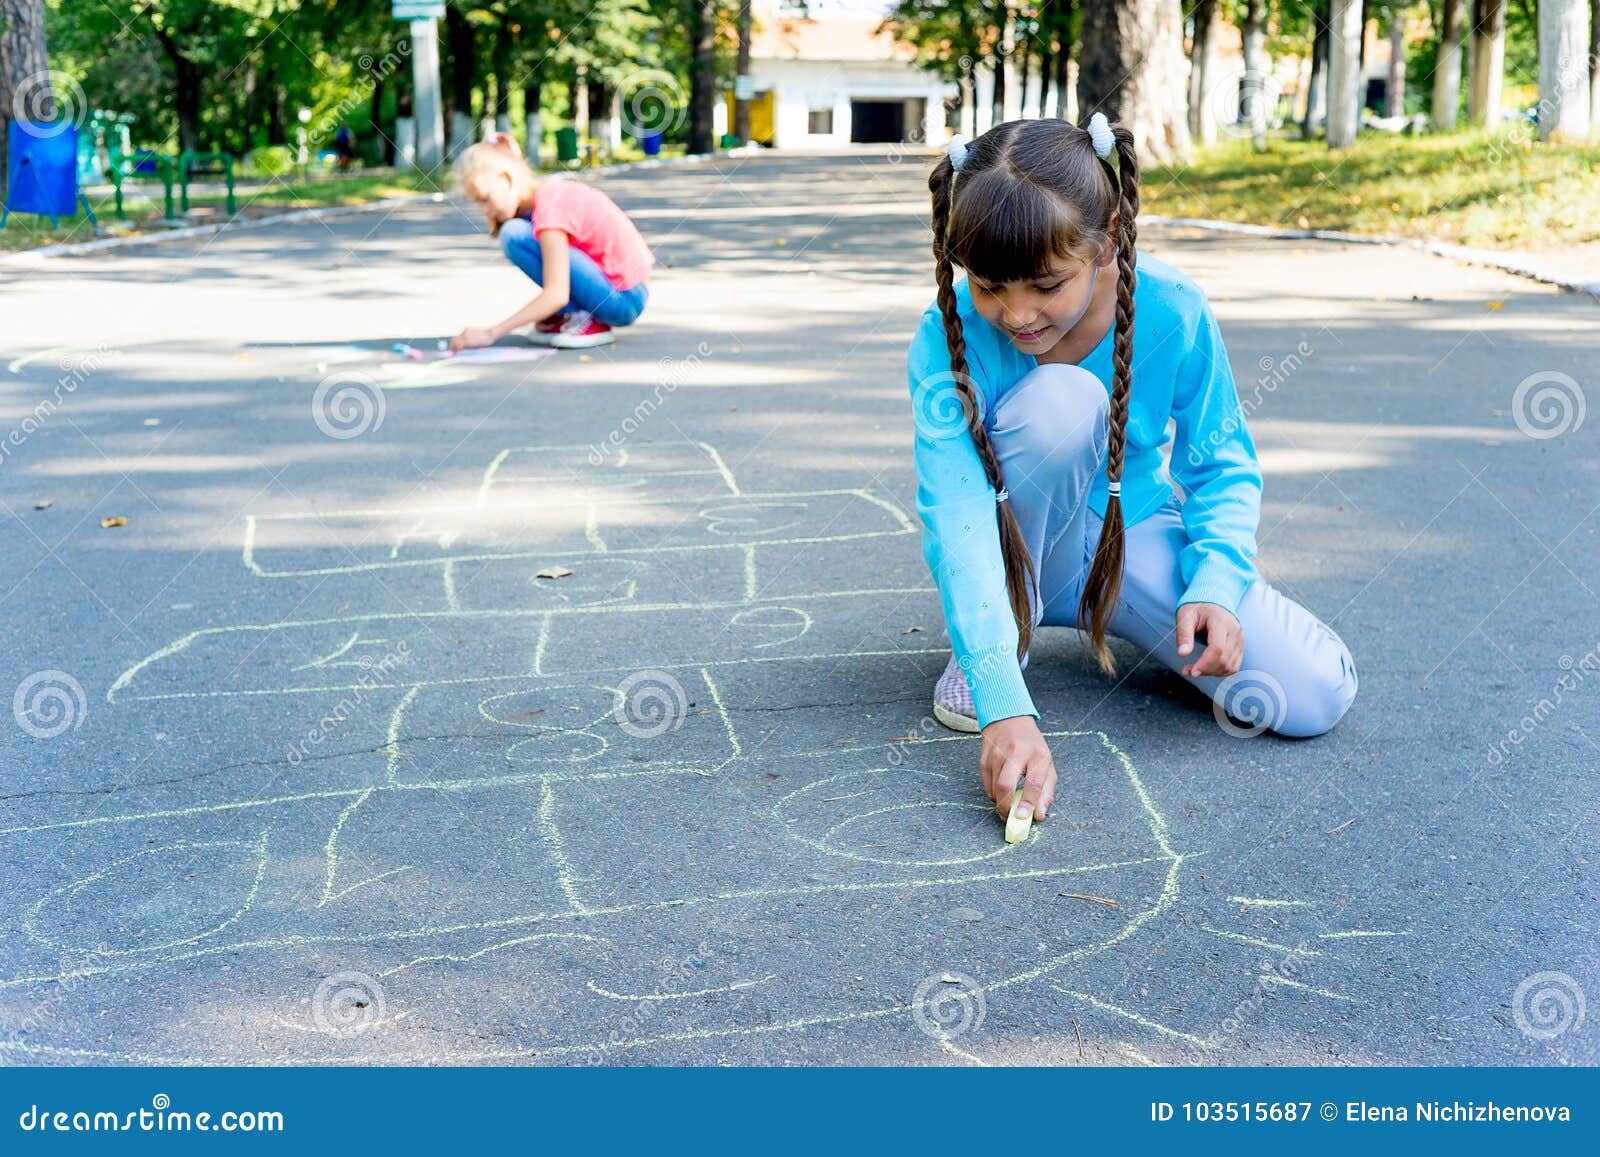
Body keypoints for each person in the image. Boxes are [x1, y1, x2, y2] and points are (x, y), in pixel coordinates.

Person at [907, 115, 1358, 829]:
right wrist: (1000, 697)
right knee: (1064, 399)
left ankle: (1122, 617)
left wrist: (1215, 581)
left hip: (1132, 540)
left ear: (1108, 239)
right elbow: (957, 510)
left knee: (1312, 694)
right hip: (1019, 550)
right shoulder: (950, 333)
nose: (1017, 313)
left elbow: (1223, 463)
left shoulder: (1174, 311)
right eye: (991, 286)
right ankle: (1004, 632)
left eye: (1046, 284)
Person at [451, 133, 654, 351]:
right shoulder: (542, 200)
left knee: (514, 234)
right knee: (514, 232)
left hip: (623, 300)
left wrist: (491, 333)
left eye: (485, 199)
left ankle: (586, 319)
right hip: (619, 293)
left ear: (507, 179)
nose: (486, 211)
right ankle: (575, 314)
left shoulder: (550, 205)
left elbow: (557, 293)